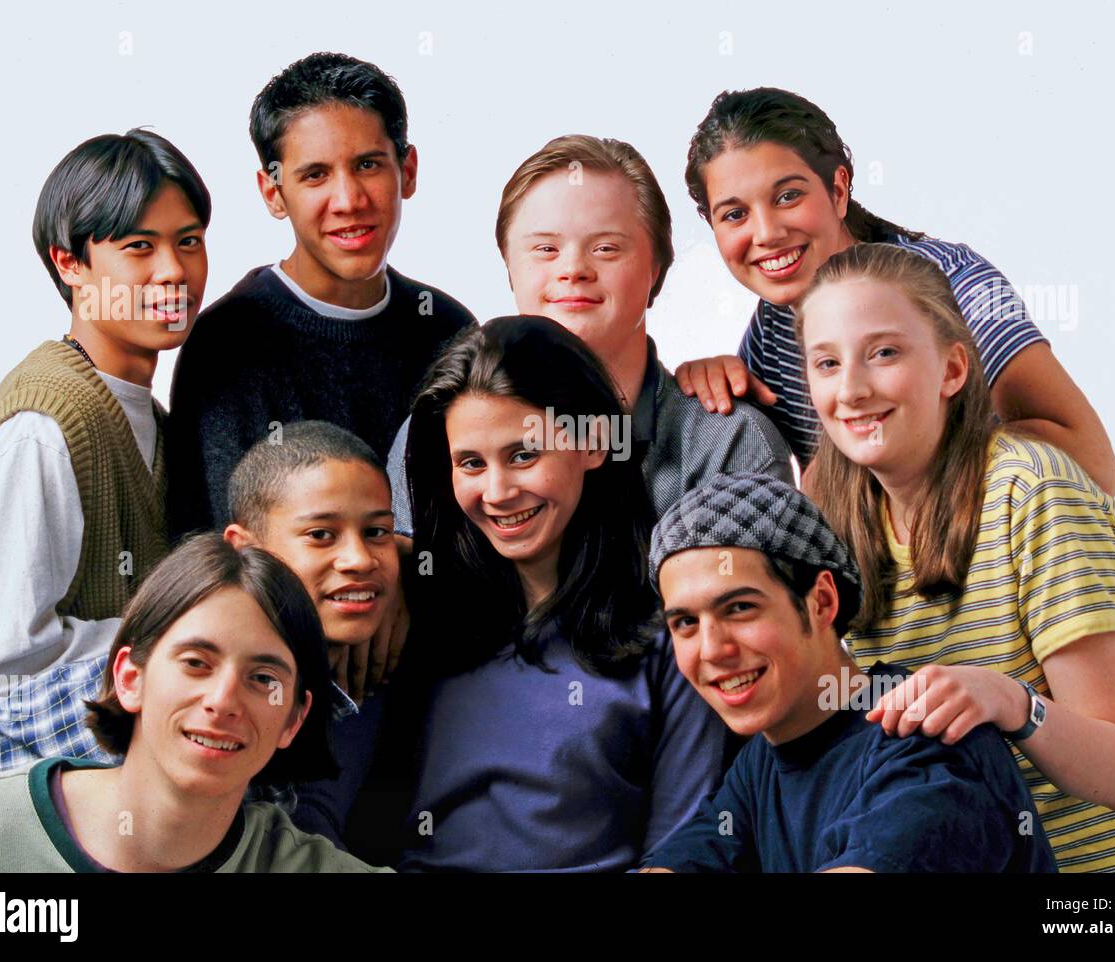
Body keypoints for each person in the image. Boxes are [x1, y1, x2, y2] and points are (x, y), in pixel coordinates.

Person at [798, 242, 1115, 872]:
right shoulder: (832, 507)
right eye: (826, 363)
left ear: (952, 370)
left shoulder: (1034, 491)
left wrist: (1010, 701)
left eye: (884, 353)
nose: (851, 389)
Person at [0, 422, 402, 850]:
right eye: (321, 534)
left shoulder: (328, 686)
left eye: (379, 532)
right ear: (244, 549)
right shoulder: (150, 694)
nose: (359, 559)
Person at [386, 315, 727, 871]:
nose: (496, 493)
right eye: (470, 463)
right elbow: (322, 813)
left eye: (524, 455)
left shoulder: (677, 629)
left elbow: (683, 845)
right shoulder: (409, 615)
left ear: (594, 443)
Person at [673, 87, 1115, 495]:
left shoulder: (958, 284)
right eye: (734, 215)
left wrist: (893, 453)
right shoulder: (771, 334)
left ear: (838, 190)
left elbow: (1094, 463)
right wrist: (711, 381)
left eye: (788, 196)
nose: (766, 233)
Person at [640, 473, 1058, 872]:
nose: (713, 649)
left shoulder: (925, 735)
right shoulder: (760, 765)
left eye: (740, 608)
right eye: (686, 623)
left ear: (821, 601)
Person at [387, 134, 792, 532]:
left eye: (606, 248)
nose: (573, 269)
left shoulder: (729, 441)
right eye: (545, 249)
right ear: (509, 268)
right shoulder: (435, 434)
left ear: (657, 269)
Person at [0, 129, 211, 706]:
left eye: (188, 242)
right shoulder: (46, 424)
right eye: (140, 246)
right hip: (15, 782)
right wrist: (185, 638)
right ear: (70, 263)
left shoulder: (152, 417)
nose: (173, 271)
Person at [0, 534, 388, 873]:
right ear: (130, 678)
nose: (223, 700)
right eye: (195, 663)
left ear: (294, 719)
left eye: (262, 678)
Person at [166, 52, 475, 538]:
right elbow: (214, 553)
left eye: (368, 165)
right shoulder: (226, 345)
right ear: (273, 193)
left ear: (407, 171)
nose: (349, 200)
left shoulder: (447, 327)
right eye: (316, 175)